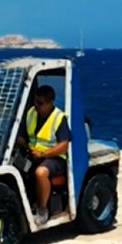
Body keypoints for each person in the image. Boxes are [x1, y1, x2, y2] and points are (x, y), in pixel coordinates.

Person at [15, 85, 71, 226]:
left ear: (50, 102)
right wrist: (24, 145)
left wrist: (44, 154)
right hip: (33, 154)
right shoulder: (31, 114)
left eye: (40, 103)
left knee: (40, 173)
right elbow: (23, 136)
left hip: (55, 157)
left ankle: (42, 210)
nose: (36, 106)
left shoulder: (59, 118)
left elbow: (64, 145)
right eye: (35, 102)